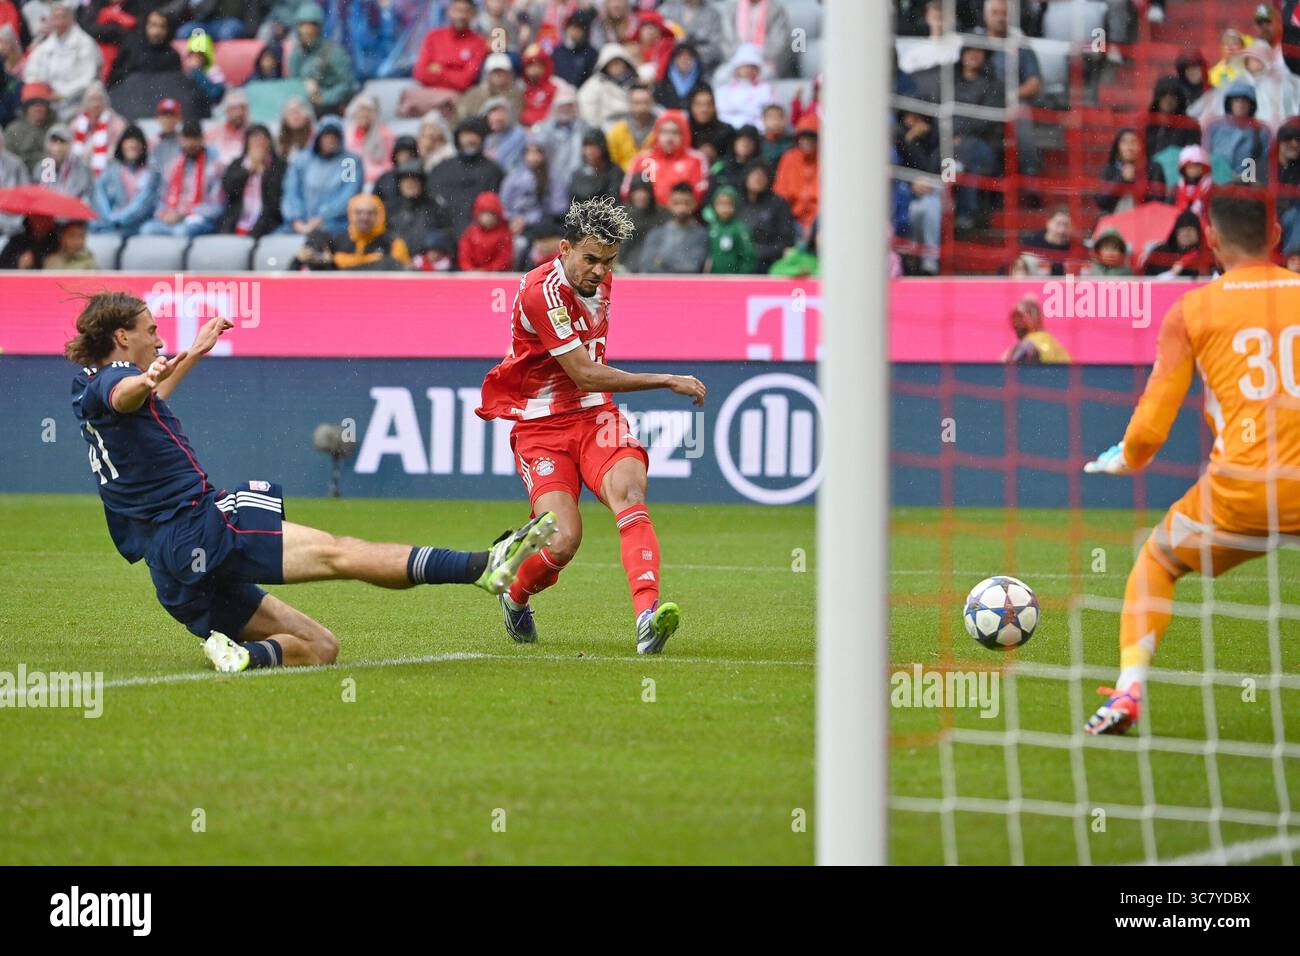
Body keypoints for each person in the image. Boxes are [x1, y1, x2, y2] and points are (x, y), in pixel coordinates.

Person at [65, 295, 556, 672]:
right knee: (340, 552)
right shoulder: (117, 380)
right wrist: (145, 378)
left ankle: (241, 657)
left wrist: (191, 354)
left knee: (322, 648)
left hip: (171, 568)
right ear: (122, 338)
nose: (158, 338)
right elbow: (127, 394)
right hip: (198, 527)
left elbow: (138, 398)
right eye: (151, 331)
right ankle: (480, 567)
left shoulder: (88, 386)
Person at [1083, 193, 1300, 734]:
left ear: (1210, 238)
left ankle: (1128, 692)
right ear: (1276, 233)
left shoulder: (1193, 311)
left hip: (1241, 492)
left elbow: (1152, 427)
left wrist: (1123, 460)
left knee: (1156, 562)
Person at [474, 196, 707, 653]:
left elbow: (589, 380)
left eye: (609, 261)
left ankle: (647, 616)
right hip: (542, 426)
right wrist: (665, 379)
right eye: (591, 259)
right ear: (564, 249)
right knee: (563, 541)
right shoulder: (540, 292)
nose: (600, 271)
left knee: (630, 493)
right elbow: (582, 371)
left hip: (596, 415)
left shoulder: (601, 281)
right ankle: (516, 596)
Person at [280, 114, 362, 236]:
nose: (331, 139)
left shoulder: (348, 162)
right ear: (318, 137)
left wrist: (320, 218)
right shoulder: (302, 160)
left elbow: (346, 196)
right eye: (326, 135)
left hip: (334, 224)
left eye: (335, 135)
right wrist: (296, 220)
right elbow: (291, 192)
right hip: (298, 224)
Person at [403, 0, 488, 117]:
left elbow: (465, 81)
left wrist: (440, 71)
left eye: (466, 12)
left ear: (473, 15)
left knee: (452, 103)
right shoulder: (433, 36)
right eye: (457, 10)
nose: (461, 16)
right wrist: (454, 73)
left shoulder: (479, 43)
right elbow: (419, 73)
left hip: (455, 99)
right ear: (449, 12)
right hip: (430, 94)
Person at [140, 119, 222, 237]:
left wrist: (185, 214)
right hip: (173, 217)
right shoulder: (173, 165)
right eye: (186, 138)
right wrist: (164, 213)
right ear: (180, 139)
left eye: (194, 138)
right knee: (147, 229)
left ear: (202, 139)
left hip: (200, 219)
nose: (190, 143)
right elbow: (162, 196)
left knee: (181, 232)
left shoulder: (214, 166)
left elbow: (217, 206)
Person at [21, 2, 101, 120]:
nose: (59, 22)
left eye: (62, 17)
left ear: (71, 18)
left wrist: (62, 93)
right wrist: (42, 91)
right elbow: (30, 71)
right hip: (47, 101)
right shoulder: (45, 45)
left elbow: (87, 78)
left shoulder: (85, 44)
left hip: (76, 103)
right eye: (55, 17)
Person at [427, 117, 505, 237]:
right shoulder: (441, 169)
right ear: (458, 138)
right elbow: (433, 201)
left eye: (474, 134)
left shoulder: (493, 170)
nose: (470, 140)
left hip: (482, 235)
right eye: (465, 135)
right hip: (447, 235)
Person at [296, 191, 409, 270]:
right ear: (350, 214)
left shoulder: (393, 243)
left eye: (370, 213)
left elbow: (401, 271)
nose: (364, 217)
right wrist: (310, 256)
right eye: (359, 212)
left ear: (379, 216)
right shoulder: (338, 240)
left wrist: (336, 260)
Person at [621, 109, 708, 209]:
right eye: (664, 132)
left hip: (683, 218)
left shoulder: (696, 160)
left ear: (684, 134)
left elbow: (700, 194)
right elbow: (627, 192)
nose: (669, 138)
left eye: (675, 132)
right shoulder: (643, 160)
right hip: (648, 218)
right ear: (657, 133)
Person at [286, 1, 355, 117]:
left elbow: (347, 84)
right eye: (303, 25)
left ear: (319, 28)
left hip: (329, 110)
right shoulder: (296, 54)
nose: (307, 30)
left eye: (311, 26)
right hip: (302, 110)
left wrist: (324, 97)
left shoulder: (333, 52)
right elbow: (292, 82)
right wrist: (303, 86)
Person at [218, 123, 285, 237]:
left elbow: (275, 201)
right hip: (237, 219)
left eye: (263, 138)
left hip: (266, 222)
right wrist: (249, 170)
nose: (259, 142)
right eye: (255, 138)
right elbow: (229, 190)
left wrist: (264, 171)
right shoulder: (237, 164)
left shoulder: (279, 166)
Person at [92, 124, 158, 236]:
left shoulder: (151, 173)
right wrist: (109, 217)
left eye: (136, 143)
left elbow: (143, 204)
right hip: (110, 223)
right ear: (121, 145)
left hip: (138, 225)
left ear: (143, 147)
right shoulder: (111, 169)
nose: (132, 145)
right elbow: (99, 195)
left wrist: (119, 219)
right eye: (128, 142)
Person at [737, 159, 795, 274]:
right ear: (746, 177)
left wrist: (757, 253)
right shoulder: (737, 202)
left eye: (762, 176)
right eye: (754, 175)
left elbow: (785, 240)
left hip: (767, 262)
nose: (758, 179)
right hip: (739, 260)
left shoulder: (779, 204)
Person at [640, 181, 708, 273]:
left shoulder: (702, 235)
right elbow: (647, 266)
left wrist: (662, 260)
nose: (681, 208)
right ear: (669, 203)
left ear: (694, 204)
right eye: (676, 203)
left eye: (686, 203)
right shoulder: (656, 234)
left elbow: (692, 266)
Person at [1097, 127, 1167, 214]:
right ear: (1118, 146)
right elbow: (1102, 202)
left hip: (1145, 220)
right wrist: (1121, 179)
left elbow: (1158, 200)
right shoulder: (1109, 169)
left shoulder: (1154, 168)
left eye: (1134, 142)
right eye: (1124, 142)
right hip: (1116, 221)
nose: (1129, 147)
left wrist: (1135, 180)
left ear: (1141, 146)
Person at [718, 0, 794, 80]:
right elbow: (726, 42)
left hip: (764, 61)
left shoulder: (776, 10)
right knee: (721, 76)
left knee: (766, 75)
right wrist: (742, 61)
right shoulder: (731, 9)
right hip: (737, 61)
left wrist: (754, 59)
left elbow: (779, 43)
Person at [107, 8, 181, 89]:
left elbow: (174, 86)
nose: (157, 31)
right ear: (145, 25)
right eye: (153, 25)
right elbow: (115, 78)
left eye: (162, 26)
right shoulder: (131, 48)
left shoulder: (172, 56)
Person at [66, 82, 125, 178]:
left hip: (107, 172)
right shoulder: (76, 125)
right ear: (86, 103)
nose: (96, 104)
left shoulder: (117, 124)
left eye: (99, 100)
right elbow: (69, 151)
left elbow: (118, 152)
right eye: (92, 100)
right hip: (79, 174)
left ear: (105, 102)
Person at [773, 113, 818, 236]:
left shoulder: (825, 160)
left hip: (818, 220)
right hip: (792, 219)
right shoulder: (789, 158)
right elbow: (780, 193)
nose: (807, 141)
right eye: (803, 137)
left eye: (812, 137)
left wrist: (811, 224)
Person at [578, 43, 637, 132]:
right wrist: (598, 131)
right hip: (607, 128)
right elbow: (587, 111)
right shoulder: (594, 85)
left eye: (619, 62)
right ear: (605, 65)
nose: (616, 66)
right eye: (612, 63)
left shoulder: (636, 81)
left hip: (635, 126)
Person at [714, 44, 771, 131]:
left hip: (757, 133)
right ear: (736, 68)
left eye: (752, 66)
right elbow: (719, 113)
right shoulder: (723, 90)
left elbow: (771, 114)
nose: (748, 70)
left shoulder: (766, 89)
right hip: (728, 133)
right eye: (745, 66)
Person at [1143, 209, 1213, 278]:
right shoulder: (1160, 253)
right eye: (1182, 230)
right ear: (1176, 233)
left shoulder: (1206, 255)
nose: (1186, 234)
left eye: (1190, 230)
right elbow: (1146, 279)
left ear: (1198, 233)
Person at [658, 0, 724, 73]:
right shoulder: (669, 8)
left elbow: (715, 48)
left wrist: (691, 57)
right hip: (667, 64)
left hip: (701, 68)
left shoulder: (712, 14)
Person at [1001, 295, 1071, 363]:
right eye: (1014, 319)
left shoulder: (1028, 345)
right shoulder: (1057, 346)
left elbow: (1009, 370)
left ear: (1035, 318)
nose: (1016, 324)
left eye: (1020, 318)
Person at [457, 52, 524, 123]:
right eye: (495, 72)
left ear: (509, 74)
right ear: (488, 74)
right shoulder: (474, 93)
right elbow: (462, 115)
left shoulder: (516, 94)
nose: (499, 75)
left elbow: (516, 119)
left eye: (502, 71)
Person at [343, 92, 394, 186]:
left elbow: (387, 165)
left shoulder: (385, 134)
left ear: (375, 114)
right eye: (361, 110)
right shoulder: (348, 133)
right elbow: (346, 164)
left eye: (368, 111)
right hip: (351, 180)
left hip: (375, 181)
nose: (364, 114)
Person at [605, 81, 656, 172]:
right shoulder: (618, 131)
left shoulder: (661, 129)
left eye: (645, 102)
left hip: (654, 176)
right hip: (624, 178)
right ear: (629, 104)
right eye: (637, 103)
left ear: (652, 103)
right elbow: (612, 162)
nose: (641, 107)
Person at [4, 83, 56, 172]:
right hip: (19, 176)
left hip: (49, 175)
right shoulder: (13, 130)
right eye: (33, 104)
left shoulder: (55, 128)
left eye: (42, 104)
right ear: (26, 107)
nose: (38, 108)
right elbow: (7, 160)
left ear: (47, 107)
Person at [704, 185, 756, 274]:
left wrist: (741, 276)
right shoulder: (711, 227)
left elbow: (748, 256)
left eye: (729, 204)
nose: (724, 208)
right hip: (712, 279)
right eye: (720, 204)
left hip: (734, 280)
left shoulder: (740, 229)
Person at [457, 190, 513, 271]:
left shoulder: (504, 234)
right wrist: (469, 269)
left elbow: (504, 259)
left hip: (495, 276)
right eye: (484, 213)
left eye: (491, 214)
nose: (488, 218)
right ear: (478, 214)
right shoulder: (470, 233)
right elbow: (464, 255)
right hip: (471, 275)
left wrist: (487, 270)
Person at [36, 123, 92, 201]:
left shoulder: (80, 168)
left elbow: (85, 198)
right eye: (54, 141)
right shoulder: (41, 167)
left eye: (62, 141)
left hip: (71, 210)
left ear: (70, 144)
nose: (57, 147)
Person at [520, 44, 571, 128]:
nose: (533, 69)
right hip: (524, 130)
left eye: (537, 64)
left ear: (545, 65)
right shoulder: (522, 86)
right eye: (530, 65)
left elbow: (562, 112)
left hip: (550, 131)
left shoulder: (558, 85)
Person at [568, 128, 621, 203]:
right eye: (586, 146)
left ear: (602, 148)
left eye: (593, 146)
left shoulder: (614, 173)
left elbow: (613, 201)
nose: (589, 151)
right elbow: (573, 201)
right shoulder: (577, 174)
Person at [551, 8, 598, 91]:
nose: (575, 31)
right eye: (572, 26)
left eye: (579, 28)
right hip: (560, 96)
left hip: (582, 95)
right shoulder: (557, 51)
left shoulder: (591, 54)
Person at [207, 89, 253, 169]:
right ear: (226, 111)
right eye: (234, 108)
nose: (239, 113)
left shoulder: (255, 133)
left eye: (242, 108)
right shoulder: (214, 133)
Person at [653, 41, 704, 112]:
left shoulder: (702, 86)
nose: (685, 61)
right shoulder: (662, 86)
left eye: (689, 57)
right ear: (673, 60)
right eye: (680, 57)